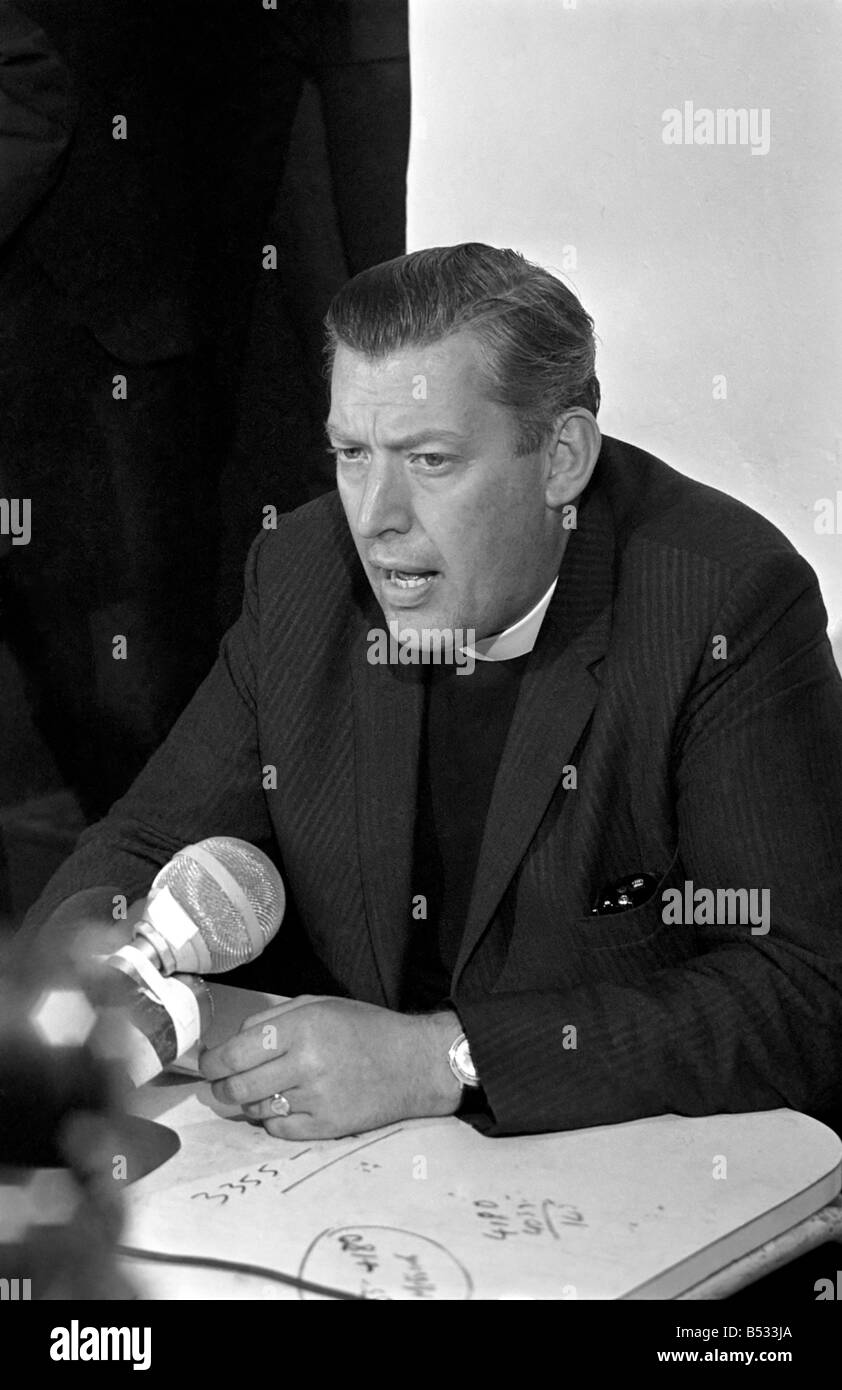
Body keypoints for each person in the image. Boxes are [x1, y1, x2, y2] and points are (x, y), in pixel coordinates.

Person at [18, 244, 842, 1143]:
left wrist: (440, 1060)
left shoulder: (722, 604)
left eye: (432, 461)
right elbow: (145, 840)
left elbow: (804, 991)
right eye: (351, 453)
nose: (376, 516)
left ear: (561, 458)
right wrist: (88, 950)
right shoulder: (301, 572)